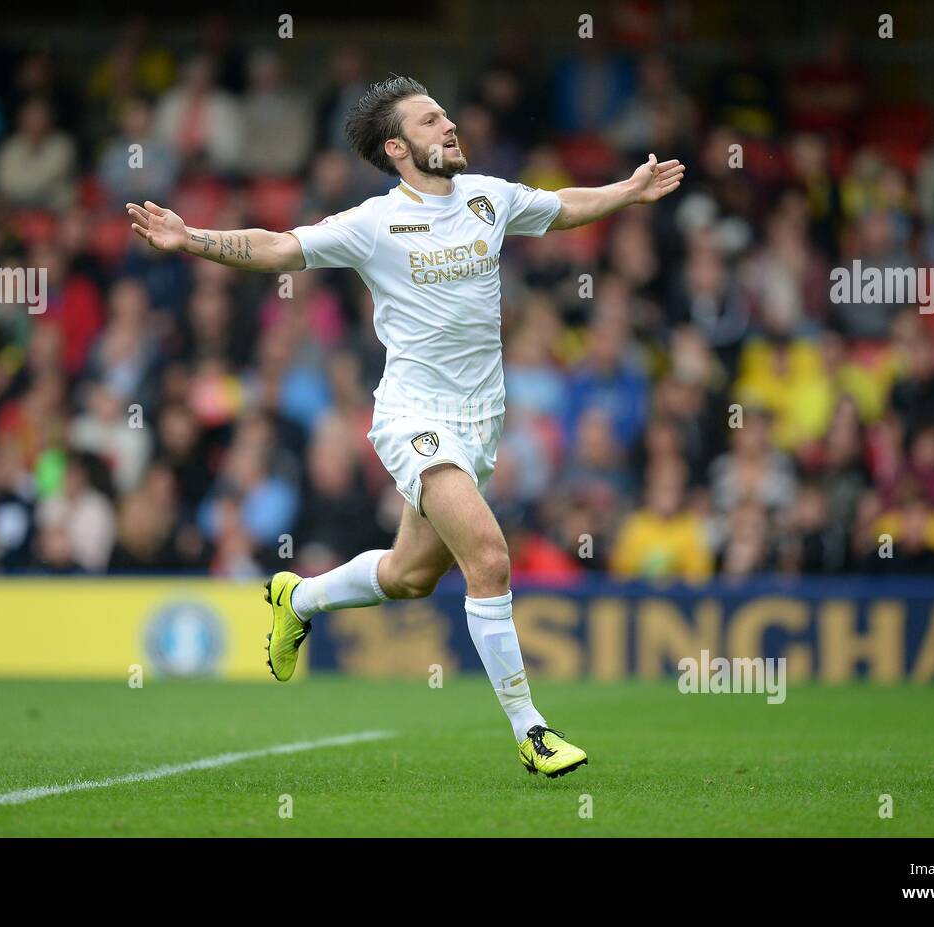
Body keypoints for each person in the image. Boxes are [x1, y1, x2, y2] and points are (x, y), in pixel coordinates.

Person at [126, 75, 685, 777]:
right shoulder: (374, 223)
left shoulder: (487, 196)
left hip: (481, 423)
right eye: (429, 121)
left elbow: (561, 207)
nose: (448, 126)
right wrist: (191, 238)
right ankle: (532, 730)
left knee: (411, 575)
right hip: (413, 417)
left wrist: (624, 192)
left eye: (445, 115)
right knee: (488, 556)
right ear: (398, 147)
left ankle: (295, 596)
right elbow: (275, 247)